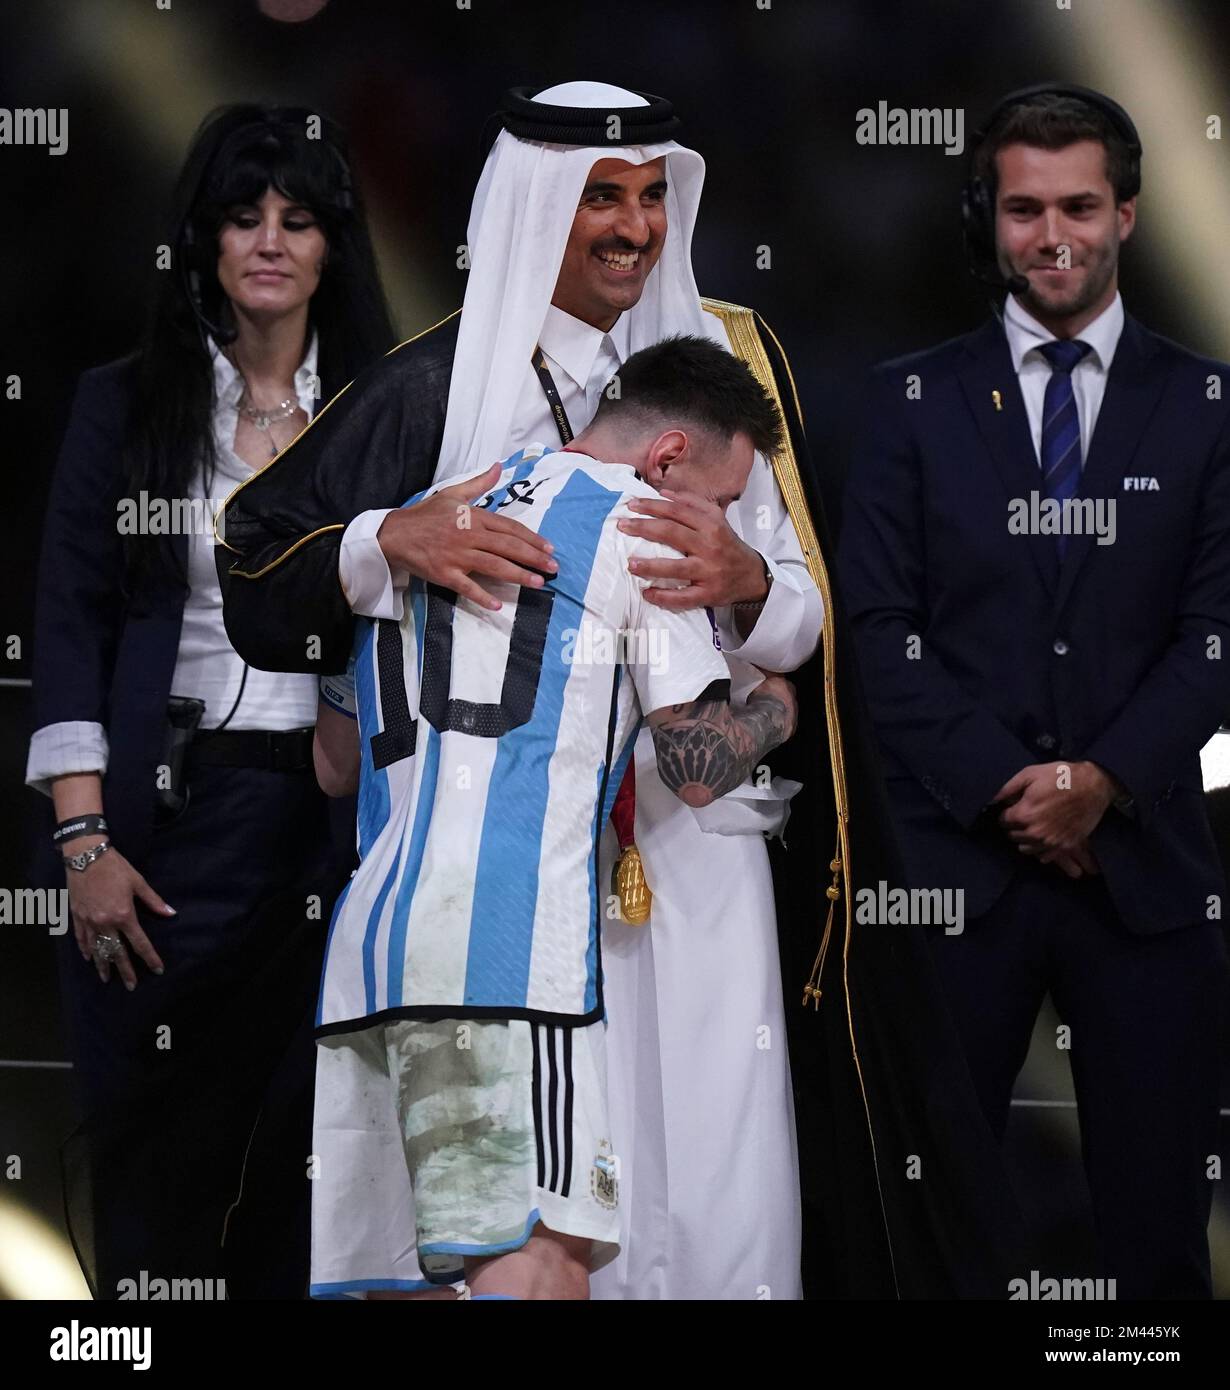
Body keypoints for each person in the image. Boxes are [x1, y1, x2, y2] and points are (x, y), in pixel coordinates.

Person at [220, 81, 1018, 1299]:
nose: (635, 226)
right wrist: (389, 538)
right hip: (528, 873)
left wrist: (749, 581)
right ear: (536, 205)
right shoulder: (431, 384)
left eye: (652, 195)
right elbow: (258, 563)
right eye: (602, 195)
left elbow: (811, 612)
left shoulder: (732, 355)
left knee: (710, 1193)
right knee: (549, 1228)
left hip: (696, 857)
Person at [839, 84, 1230, 1298]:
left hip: (1151, 878)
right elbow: (875, 629)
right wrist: (1018, 789)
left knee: (1160, 1243)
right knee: (929, 1233)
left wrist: (1101, 781)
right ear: (988, 218)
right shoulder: (906, 401)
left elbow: (1218, 636)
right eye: (1023, 209)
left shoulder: (1211, 407)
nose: (1052, 235)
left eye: (1078, 206)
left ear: (1127, 214)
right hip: (954, 877)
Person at [311, 336, 799, 1300]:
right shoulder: (638, 528)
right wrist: (777, 699)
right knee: (541, 1266)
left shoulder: (428, 514)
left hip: (370, 951)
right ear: (668, 459)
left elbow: (332, 762)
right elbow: (696, 767)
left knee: (416, 1281)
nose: (718, 530)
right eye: (723, 499)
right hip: (507, 955)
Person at [26, 104, 395, 1298]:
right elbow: (69, 626)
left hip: (335, 833)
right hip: (162, 832)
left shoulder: (385, 415)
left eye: (298, 218)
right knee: (153, 1184)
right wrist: (84, 841)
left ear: (334, 244)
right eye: (243, 217)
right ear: (204, 239)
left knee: (309, 1179)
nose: (270, 241)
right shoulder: (126, 404)